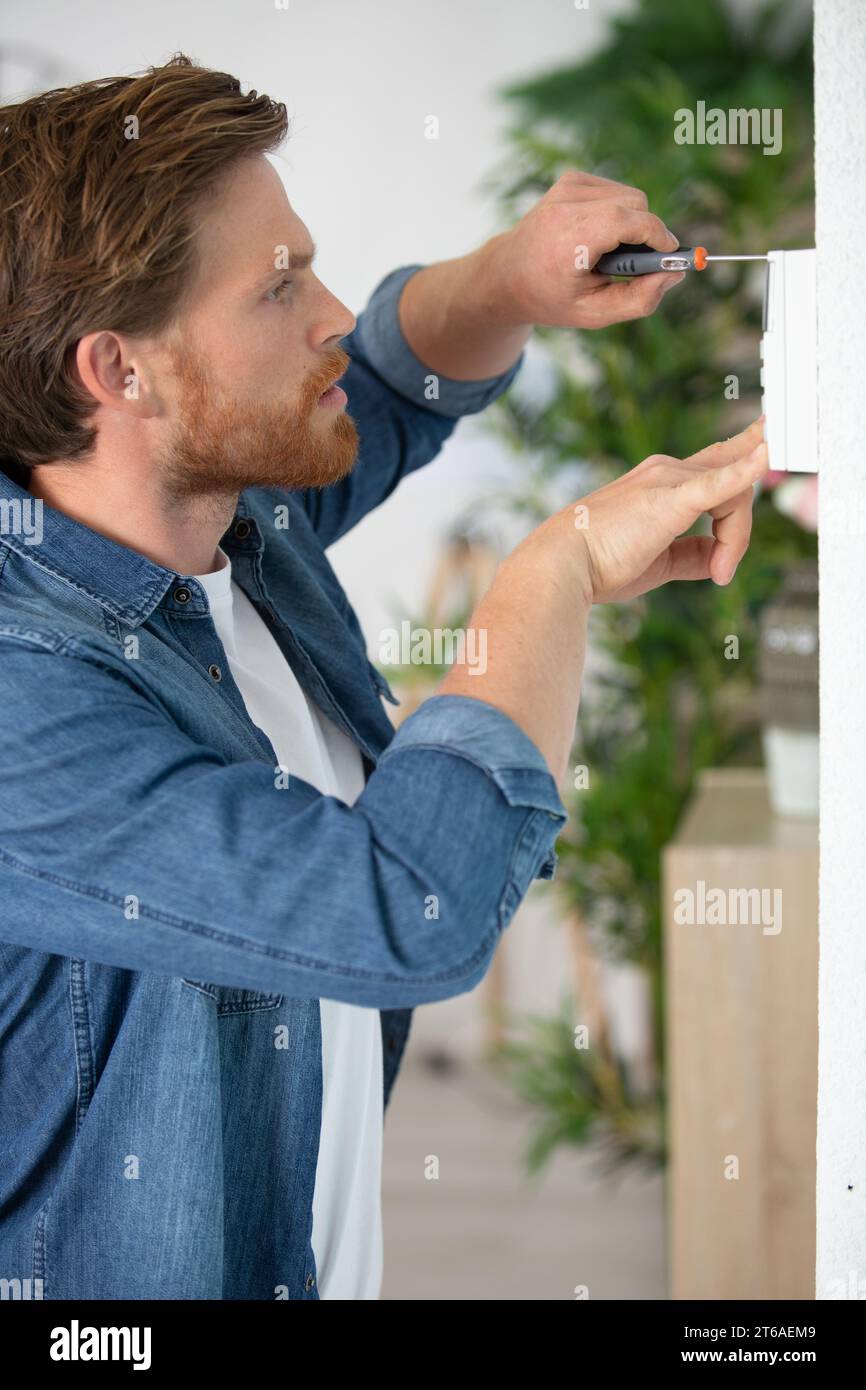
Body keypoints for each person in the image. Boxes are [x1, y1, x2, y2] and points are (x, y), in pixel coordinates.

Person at [0, 55, 767, 1301]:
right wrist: (553, 570)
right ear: (117, 371)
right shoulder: (22, 704)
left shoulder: (226, 519)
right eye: (279, 286)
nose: (331, 314)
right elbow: (402, 909)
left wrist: (511, 278)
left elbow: (376, 390)